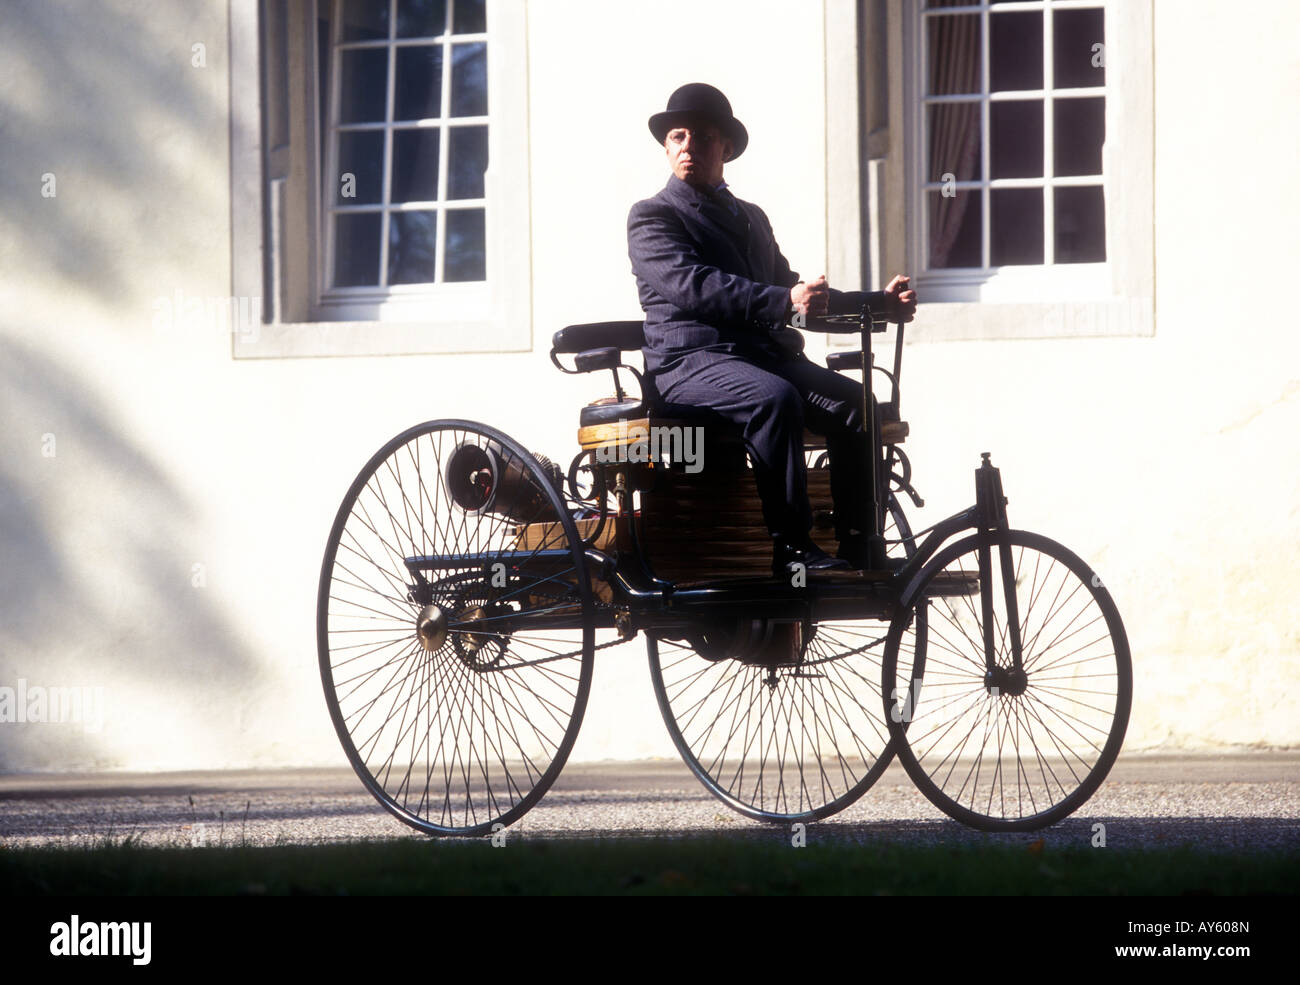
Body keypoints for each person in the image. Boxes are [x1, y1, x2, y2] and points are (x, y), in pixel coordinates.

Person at [627, 82, 917, 575]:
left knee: (857, 404)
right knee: (773, 399)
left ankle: (860, 546)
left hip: (760, 358)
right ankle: (793, 550)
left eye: (701, 136)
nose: (688, 146)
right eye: (677, 136)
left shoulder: (752, 219)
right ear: (667, 147)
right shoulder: (653, 216)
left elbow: (794, 298)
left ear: (726, 148)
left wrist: (878, 305)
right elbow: (695, 287)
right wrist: (785, 300)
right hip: (690, 363)